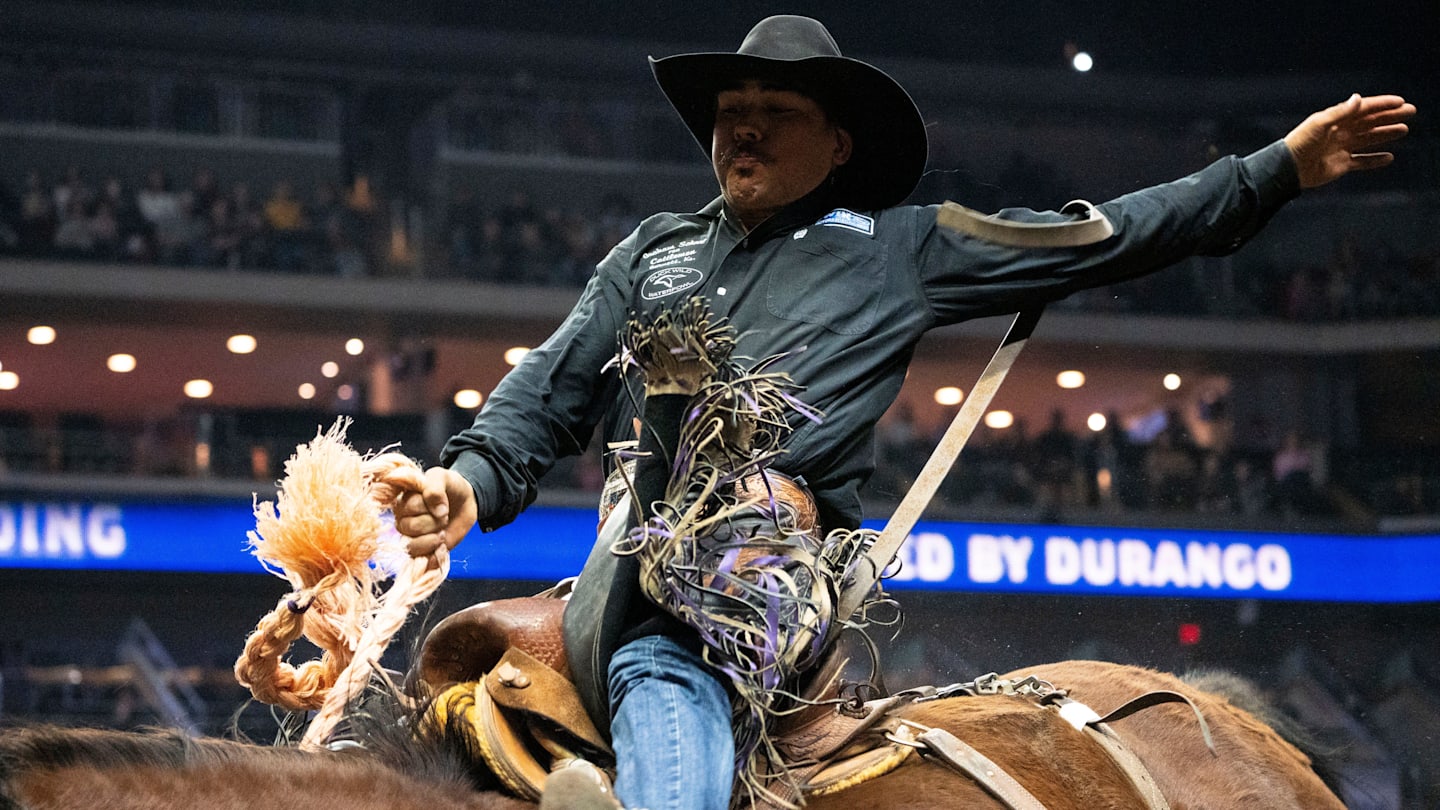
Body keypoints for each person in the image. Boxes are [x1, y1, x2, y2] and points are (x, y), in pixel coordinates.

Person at [391, 15, 1414, 810]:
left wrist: (1272, 171)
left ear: (837, 146)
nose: (741, 126)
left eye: (774, 111)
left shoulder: (896, 245)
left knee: (673, 649)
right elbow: (546, 393)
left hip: (756, 571)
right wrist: (464, 485)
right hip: (626, 555)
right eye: (729, 109)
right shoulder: (653, 252)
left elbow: (1104, 233)